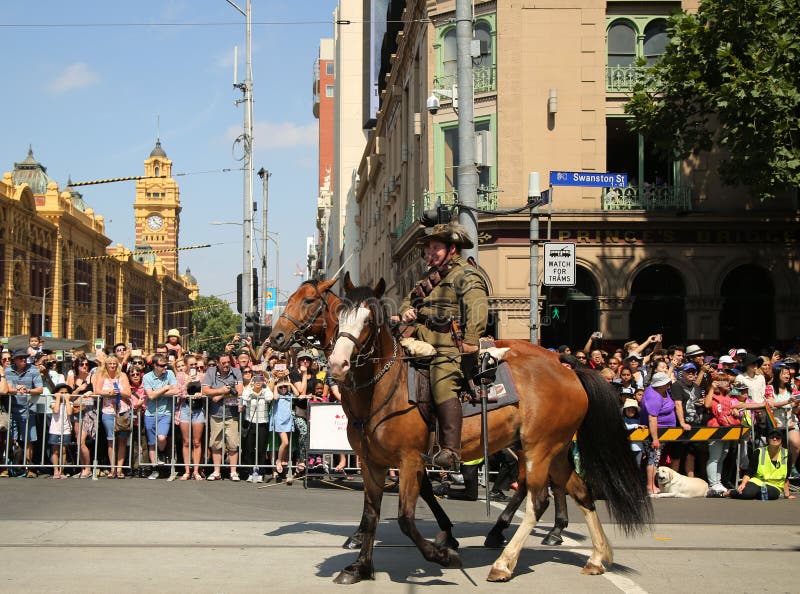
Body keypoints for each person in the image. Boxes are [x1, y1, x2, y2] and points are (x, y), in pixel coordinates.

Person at [397, 221, 489, 470]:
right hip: (419, 340)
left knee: (442, 381)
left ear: (452, 248)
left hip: (448, 345)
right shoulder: (429, 277)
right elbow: (407, 301)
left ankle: (450, 450)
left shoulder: (465, 274)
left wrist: (471, 342)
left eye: (435, 248)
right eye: (427, 250)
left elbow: (478, 308)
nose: (429, 254)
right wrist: (406, 312)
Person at [0, 348, 43, 477]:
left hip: (29, 410)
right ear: (15, 360)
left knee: (29, 439)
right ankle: (7, 467)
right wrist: (17, 390)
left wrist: (28, 391)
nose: (24, 359)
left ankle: (28, 468)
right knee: (10, 439)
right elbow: (7, 389)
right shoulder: (8, 370)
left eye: (25, 357)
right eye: (20, 358)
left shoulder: (33, 369)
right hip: (11, 410)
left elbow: (40, 389)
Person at [201, 353, 243, 481]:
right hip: (216, 414)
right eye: (223, 363)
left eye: (228, 362)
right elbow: (205, 391)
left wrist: (218, 396)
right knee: (216, 444)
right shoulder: (211, 372)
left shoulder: (236, 372)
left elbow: (239, 391)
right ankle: (216, 471)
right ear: (218, 363)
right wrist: (223, 390)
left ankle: (233, 472)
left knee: (232, 444)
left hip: (232, 414)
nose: (226, 365)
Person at [725, 429, 795, 500]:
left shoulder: (787, 454)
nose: (774, 438)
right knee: (747, 493)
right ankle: (729, 493)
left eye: (777, 437)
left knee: (769, 495)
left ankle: (754, 493)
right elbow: (749, 472)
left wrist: (787, 495)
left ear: (781, 439)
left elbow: (786, 477)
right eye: (772, 437)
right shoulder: (759, 452)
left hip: (774, 485)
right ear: (767, 439)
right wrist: (743, 484)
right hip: (757, 481)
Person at [93, 357, 132, 478]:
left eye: (114, 364)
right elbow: (97, 391)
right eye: (110, 363)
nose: (112, 366)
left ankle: (119, 469)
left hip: (122, 410)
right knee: (111, 440)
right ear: (106, 365)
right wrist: (109, 393)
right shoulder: (101, 375)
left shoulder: (123, 376)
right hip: (108, 410)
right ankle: (112, 468)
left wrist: (118, 392)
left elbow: (128, 393)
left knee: (122, 440)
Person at [705, 372, 742, 496]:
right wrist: (712, 388)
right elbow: (707, 404)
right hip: (715, 428)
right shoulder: (714, 395)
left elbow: (735, 406)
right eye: (724, 382)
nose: (728, 384)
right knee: (714, 457)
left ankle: (718, 481)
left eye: (728, 382)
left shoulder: (728, 397)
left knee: (722, 456)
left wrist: (735, 410)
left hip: (728, 429)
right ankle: (713, 483)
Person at [143, 354, 179, 479]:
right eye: (162, 365)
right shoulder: (147, 377)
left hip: (165, 412)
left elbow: (176, 390)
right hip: (150, 413)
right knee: (152, 443)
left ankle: (162, 453)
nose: (165, 367)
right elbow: (150, 396)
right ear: (154, 365)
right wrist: (166, 387)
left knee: (162, 437)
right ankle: (154, 469)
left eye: (166, 365)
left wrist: (157, 392)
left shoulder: (169, 373)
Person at [639, 371, 676, 495]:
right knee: (654, 458)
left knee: (656, 458)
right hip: (657, 431)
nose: (668, 385)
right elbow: (652, 418)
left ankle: (652, 484)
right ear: (659, 386)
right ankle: (650, 486)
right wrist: (655, 438)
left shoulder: (658, 390)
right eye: (666, 383)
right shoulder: (654, 397)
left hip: (666, 430)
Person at [669, 363, 705, 477]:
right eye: (688, 371)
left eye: (693, 372)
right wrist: (682, 422)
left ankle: (691, 480)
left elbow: (696, 400)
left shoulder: (696, 386)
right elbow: (678, 404)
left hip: (695, 422)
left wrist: (701, 402)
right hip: (681, 424)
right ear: (682, 373)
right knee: (677, 456)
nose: (691, 374)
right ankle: (672, 481)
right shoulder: (677, 385)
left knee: (691, 455)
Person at [764, 363, 800, 475]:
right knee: (776, 448)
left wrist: (797, 405)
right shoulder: (769, 388)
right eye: (784, 373)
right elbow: (772, 404)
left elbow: (795, 409)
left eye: (788, 374)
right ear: (777, 374)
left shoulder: (793, 387)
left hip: (790, 422)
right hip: (776, 423)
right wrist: (788, 401)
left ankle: (792, 467)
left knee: (796, 443)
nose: (787, 376)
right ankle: (776, 470)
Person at [178, 354, 205, 480]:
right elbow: (178, 393)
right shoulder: (181, 376)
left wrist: (201, 393)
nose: (194, 366)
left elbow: (206, 390)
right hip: (185, 408)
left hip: (198, 409)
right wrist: (187, 384)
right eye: (191, 364)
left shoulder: (201, 376)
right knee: (186, 441)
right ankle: (187, 470)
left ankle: (196, 470)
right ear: (186, 364)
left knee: (197, 442)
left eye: (195, 364)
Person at [241, 370, 271, 482]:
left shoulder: (266, 389)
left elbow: (269, 397)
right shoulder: (248, 389)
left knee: (261, 449)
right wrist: (251, 386)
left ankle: (260, 473)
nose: (258, 381)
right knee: (249, 449)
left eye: (261, 379)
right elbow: (245, 397)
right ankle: (250, 472)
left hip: (262, 422)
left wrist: (263, 388)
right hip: (250, 422)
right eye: (256, 379)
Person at [268, 372, 296, 481]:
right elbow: (274, 397)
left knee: (287, 445)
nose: (283, 388)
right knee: (285, 442)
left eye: (285, 387)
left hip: (288, 420)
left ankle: (284, 462)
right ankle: (278, 460)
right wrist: (276, 386)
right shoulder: (277, 395)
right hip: (279, 421)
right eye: (281, 387)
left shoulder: (289, 395)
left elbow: (297, 394)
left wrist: (290, 384)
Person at [48, 383, 74, 479]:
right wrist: (58, 398)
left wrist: (67, 400)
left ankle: (62, 470)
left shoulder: (69, 403)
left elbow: (69, 412)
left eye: (65, 393)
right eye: (61, 392)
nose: (63, 394)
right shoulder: (53, 402)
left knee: (63, 450)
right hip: (55, 429)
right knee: (55, 450)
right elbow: (55, 410)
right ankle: (55, 470)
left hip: (66, 429)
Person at [622, 398, 645, 467]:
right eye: (628, 410)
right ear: (624, 411)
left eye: (633, 410)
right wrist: (636, 426)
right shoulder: (623, 420)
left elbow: (642, 437)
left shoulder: (638, 420)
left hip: (639, 447)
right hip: (628, 447)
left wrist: (643, 450)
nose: (630, 412)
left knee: (638, 464)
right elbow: (626, 427)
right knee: (628, 465)